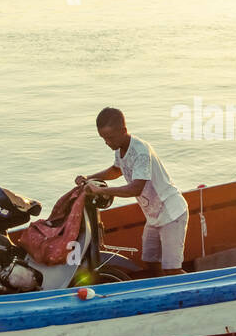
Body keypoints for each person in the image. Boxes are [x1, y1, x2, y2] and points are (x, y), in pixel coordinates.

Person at [76, 107, 189, 276]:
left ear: (123, 131)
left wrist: (100, 191)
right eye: (104, 139)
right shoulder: (120, 147)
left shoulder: (140, 152)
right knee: (150, 261)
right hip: (153, 216)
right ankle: (161, 292)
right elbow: (116, 170)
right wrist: (89, 177)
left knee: (171, 269)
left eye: (110, 138)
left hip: (171, 213)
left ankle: (202, 293)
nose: (107, 142)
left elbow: (135, 188)